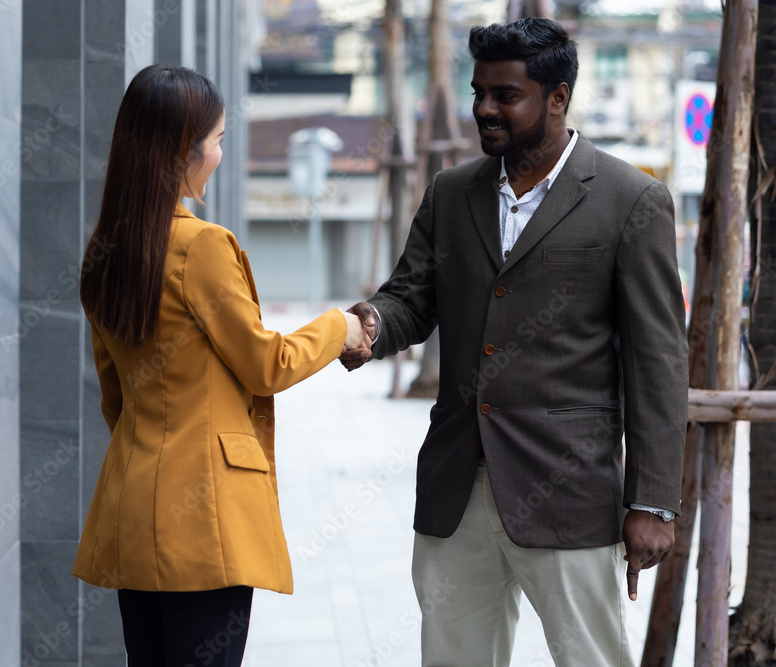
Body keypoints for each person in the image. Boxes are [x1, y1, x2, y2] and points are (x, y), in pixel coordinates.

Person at [340, 18, 688, 667]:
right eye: (479, 92)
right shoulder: (451, 192)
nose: (484, 109)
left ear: (557, 97)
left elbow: (658, 364)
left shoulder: (630, 200)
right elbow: (411, 297)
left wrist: (653, 501)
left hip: (570, 493)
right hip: (455, 489)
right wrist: (366, 326)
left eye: (505, 95)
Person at [70, 64, 371, 667]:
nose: (220, 155)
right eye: (217, 140)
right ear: (182, 150)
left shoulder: (106, 251)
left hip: (134, 509)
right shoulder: (201, 247)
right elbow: (267, 365)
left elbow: (114, 397)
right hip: (204, 519)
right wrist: (340, 326)